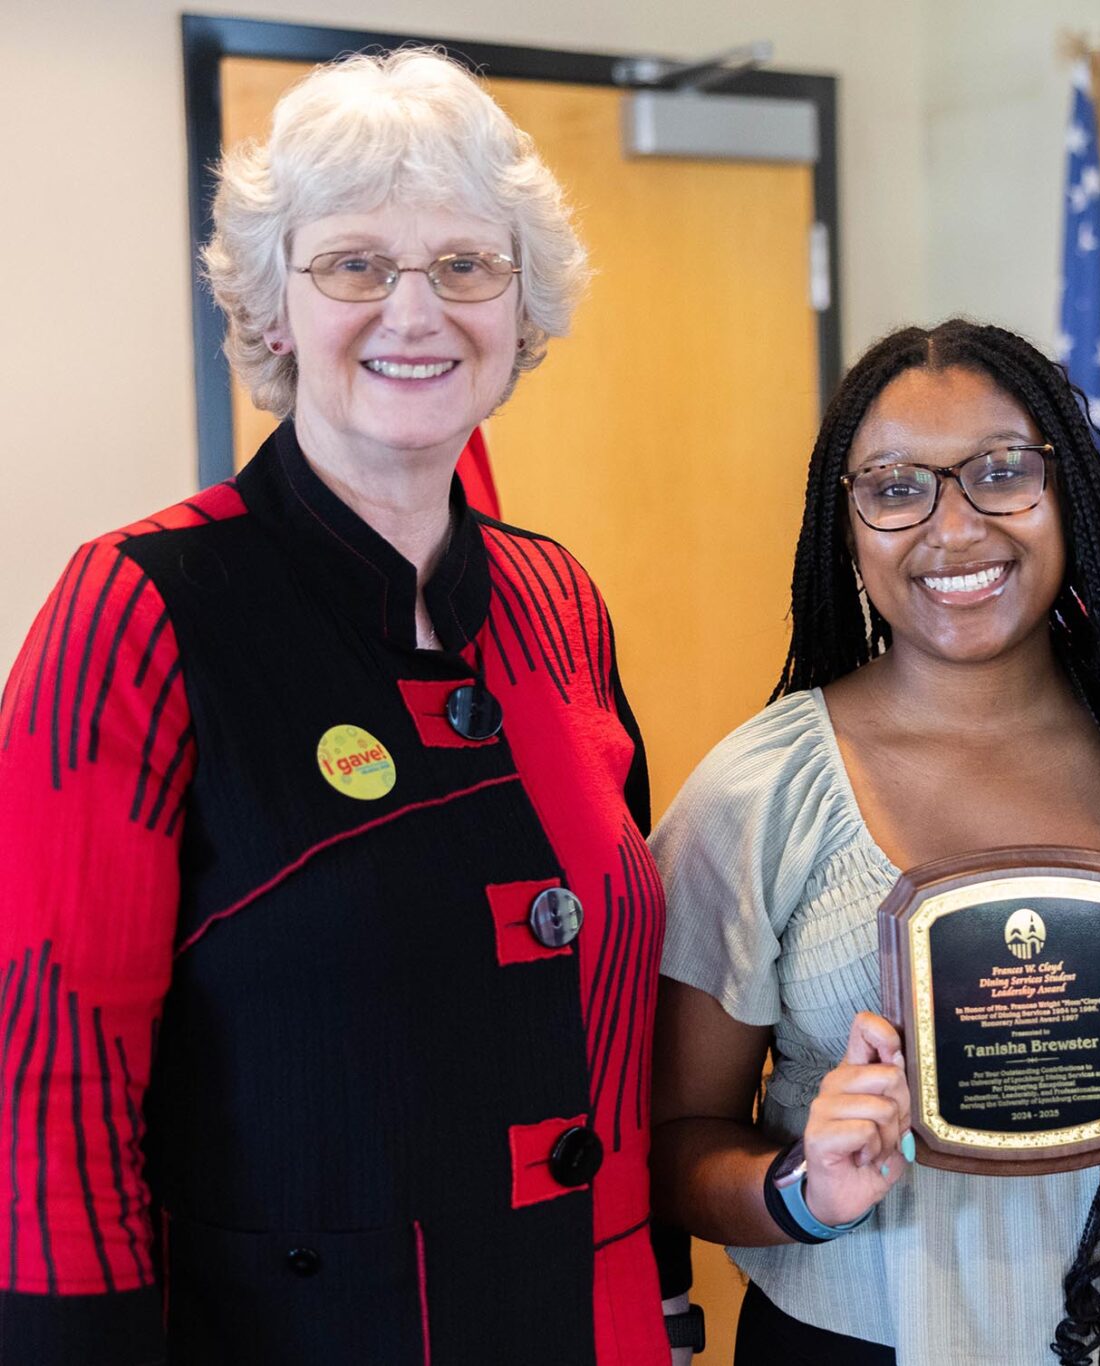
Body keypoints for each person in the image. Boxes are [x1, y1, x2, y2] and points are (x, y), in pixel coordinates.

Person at [0, 49, 676, 1364]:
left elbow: (611, 1022)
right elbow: (49, 1087)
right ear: (273, 308)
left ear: (521, 304)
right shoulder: (135, 607)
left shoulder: (558, 601)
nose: (415, 312)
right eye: (356, 264)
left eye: (467, 266)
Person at [648, 319, 1100, 1365]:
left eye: (1001, 472)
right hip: (845, 1341)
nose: (954, 526)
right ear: (844, 525)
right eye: (894, 487)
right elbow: (675, 1140)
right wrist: (804, 1187)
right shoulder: (758, 792)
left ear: (1069, 497)